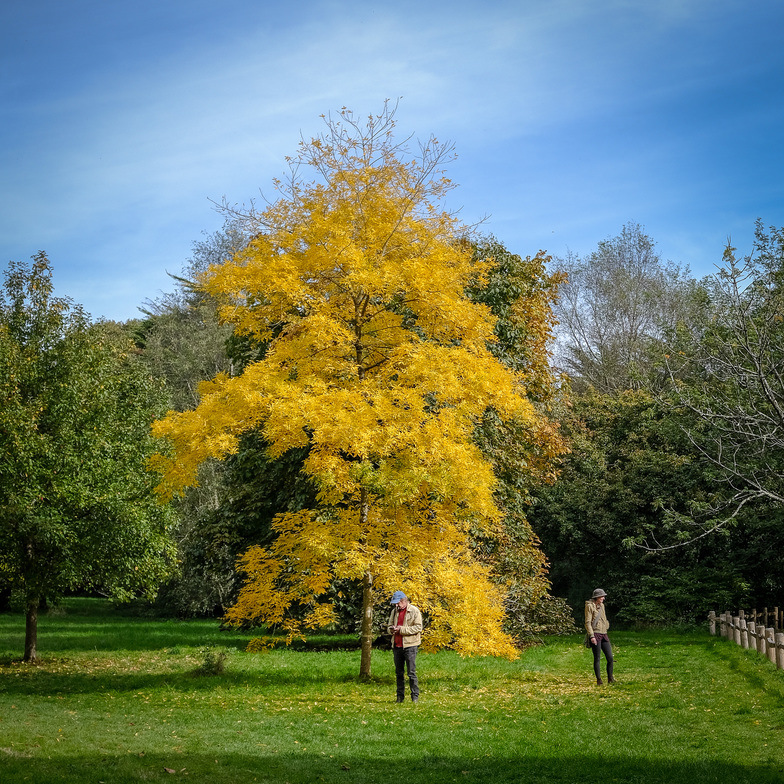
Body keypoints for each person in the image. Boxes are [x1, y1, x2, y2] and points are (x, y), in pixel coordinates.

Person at [387, 590, 423, 703]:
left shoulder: (414, 611)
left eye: (398, 603)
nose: (397, 605)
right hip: (397, 645)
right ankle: (399, 698)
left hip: (410, 645)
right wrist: (391, 629)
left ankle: (415, 697)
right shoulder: (394, 612)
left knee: (411, 672)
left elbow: (418, 627)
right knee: (399, 673)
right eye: (395, 603)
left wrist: (401, 630)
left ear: (404, 601)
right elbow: (389, 626)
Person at [585, 588, 615, 685]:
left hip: (604, 634)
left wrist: (606, 626)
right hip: (595, 634)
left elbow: (604, 619)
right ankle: (599, 680)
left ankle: (610, 678)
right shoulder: (589, 606)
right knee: (597, 658)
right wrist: (592, 636)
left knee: (610, 658)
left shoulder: (602, 606)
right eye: (602, 596)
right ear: (597, 597)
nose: (603, 598)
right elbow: (588, 622)